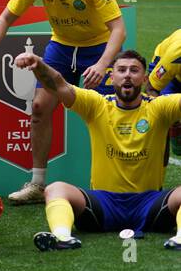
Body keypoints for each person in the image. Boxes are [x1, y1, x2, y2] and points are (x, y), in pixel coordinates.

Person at [0, 0, 125, 205]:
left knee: (111, 115)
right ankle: (37, 184)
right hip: (60, 47)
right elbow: (4, 19)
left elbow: (118, 30)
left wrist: (102, 64)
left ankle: (115, 185)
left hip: (97, 48)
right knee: (38, 107)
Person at [13, 50, 181, 252]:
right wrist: (38, 64)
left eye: (134, 70)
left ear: (144, 78)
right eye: (121, 70)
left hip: (150, 203)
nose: (127, 74)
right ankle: (62, 237)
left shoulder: (160, 107)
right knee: (55, 189)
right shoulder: (97, 105)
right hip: (103, 203)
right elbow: (58, 84)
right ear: (112, 77)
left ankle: (179, 238)